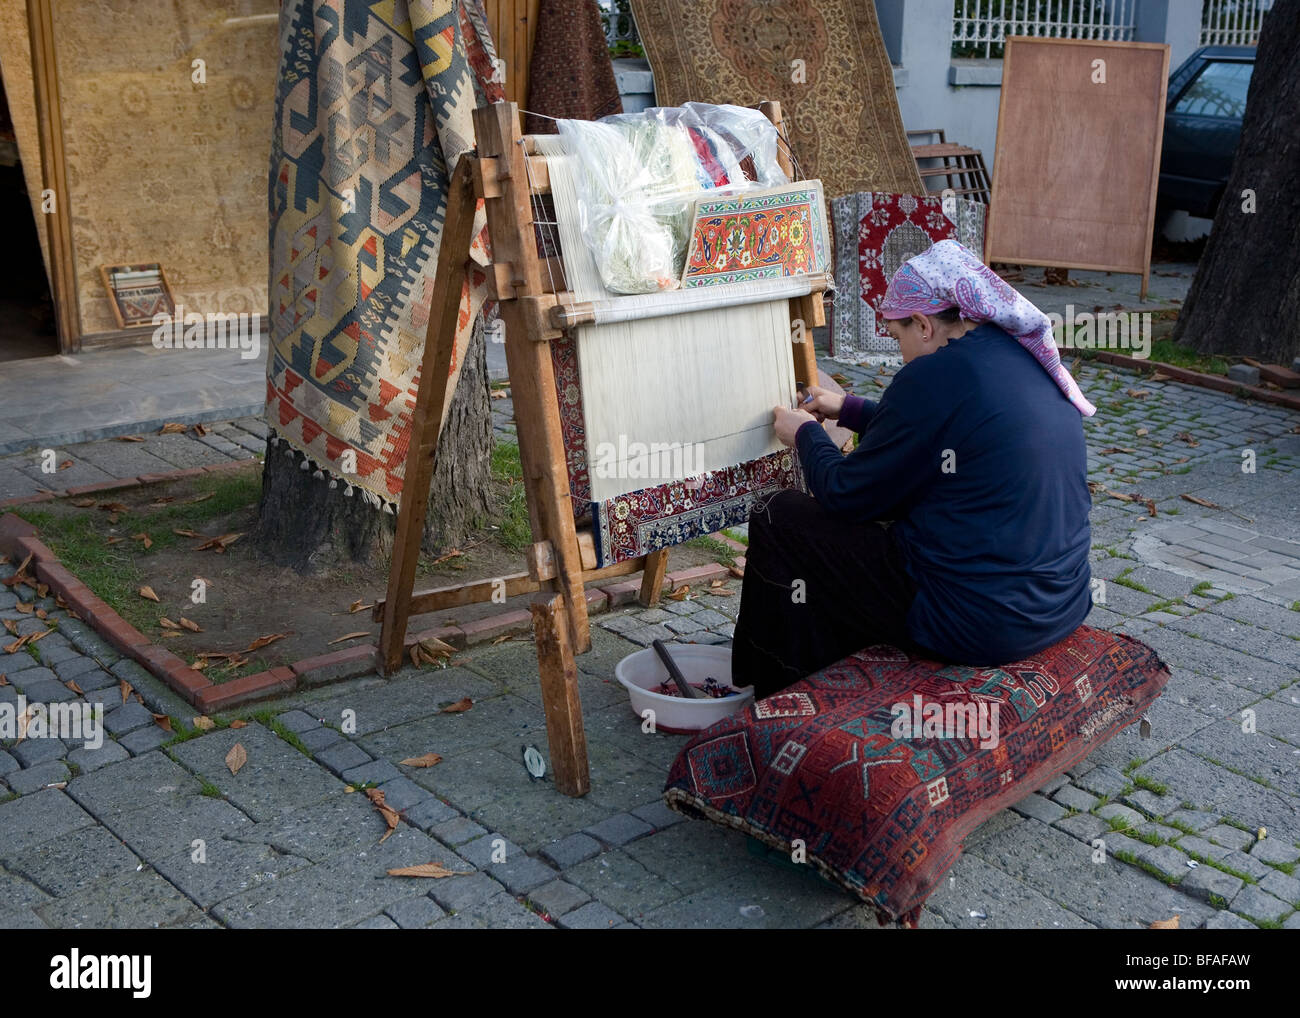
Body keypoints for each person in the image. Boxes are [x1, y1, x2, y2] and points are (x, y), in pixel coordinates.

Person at [732, 240, 1095, 699]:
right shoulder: (1016, 354)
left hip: (977, 624)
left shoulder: (932, 377)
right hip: (1059, 603)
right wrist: (848, 408)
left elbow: (845, 494)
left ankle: (775, 681)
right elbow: (940, 429)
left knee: (778, 514)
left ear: (923, 325)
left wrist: (805, 434)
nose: (899, 351)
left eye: (898, 336)